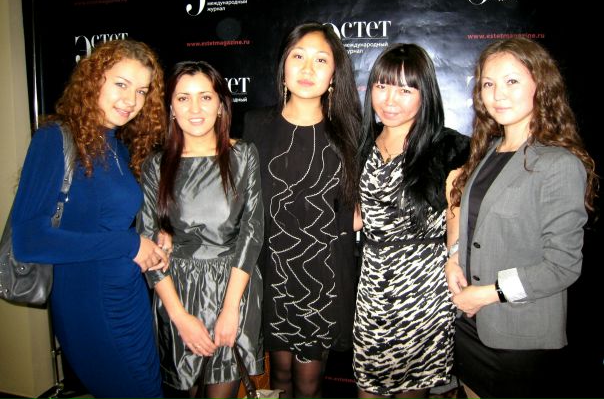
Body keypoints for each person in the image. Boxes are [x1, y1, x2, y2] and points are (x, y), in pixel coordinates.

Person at [11, 39, 168, 399]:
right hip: (90, 305)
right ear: (94, 79)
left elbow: (106, 221)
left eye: (141, 91)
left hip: (129, 297)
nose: (131, 100)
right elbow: (29, 240)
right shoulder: (55, 139)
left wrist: (152, 237)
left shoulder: (118, 144)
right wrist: (128, 243)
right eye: (121, 84)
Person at [445, 38, 598, 399]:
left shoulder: (559, 163)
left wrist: (488, 294)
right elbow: (478, 227)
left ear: (540, 85)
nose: (498, 94)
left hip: (518, 336)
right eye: (488, 83)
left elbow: (561, 266)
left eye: (511, 81)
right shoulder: (488, 153)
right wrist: (453, 258)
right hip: (471, 326)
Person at [242, 22, 361, 399]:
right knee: (277, 376)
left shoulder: (351, 131)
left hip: (323, 277)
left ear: (334, 74)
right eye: (298, 56)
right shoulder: (255, 125)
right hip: (271, 273)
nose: (308, 69)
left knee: (309, 383)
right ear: (283, 66)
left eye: (321, 60)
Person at [137, 60, 264, 399]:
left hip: (234, 289)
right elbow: (149, 246)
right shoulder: (156, 165)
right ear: (171, 108)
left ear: (221, 105)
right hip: (177, 293)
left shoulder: (243, 156)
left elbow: (252, 234)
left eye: (205, 97)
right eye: (183, 98)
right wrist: (180, 318)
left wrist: (230, 310)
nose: (195, 109)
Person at [353, 43, 469, 399]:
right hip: (373, 285)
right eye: (382, 86)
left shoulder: (447, 147)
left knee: (412, 390)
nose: (390, 100)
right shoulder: (360, 142)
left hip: (423, 290)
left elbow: (455, 218)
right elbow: (355, 215)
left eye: (405, 90)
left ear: (425, 94)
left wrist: (455, 259)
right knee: (367, 387)